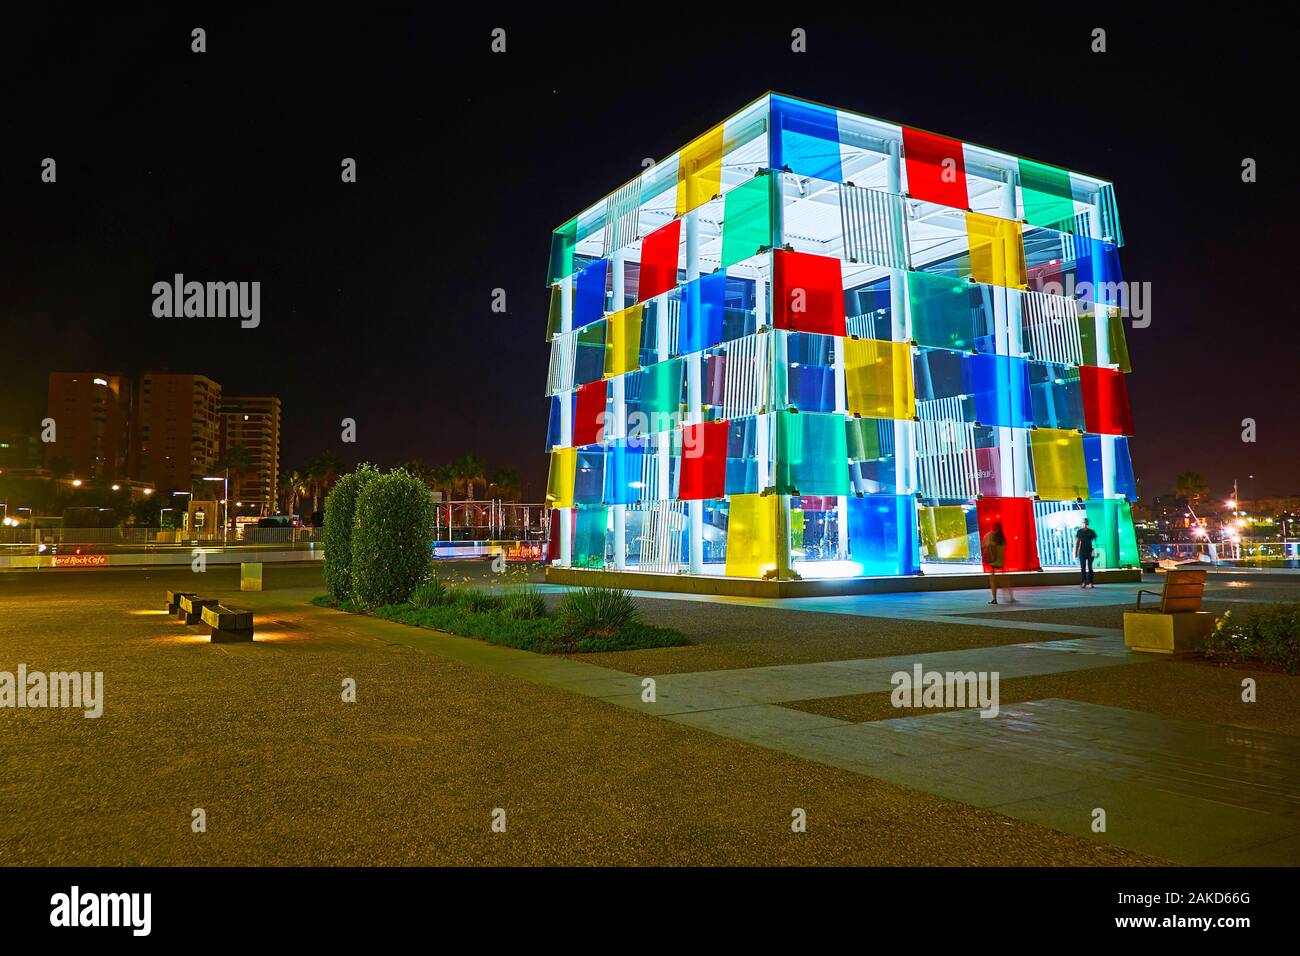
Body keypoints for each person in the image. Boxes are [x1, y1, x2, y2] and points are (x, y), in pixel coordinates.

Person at [981, 521, 1007, 604]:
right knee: (1004, 579)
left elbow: (987, 546)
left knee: (992, 581)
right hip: (1000, 561)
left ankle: (994, 599)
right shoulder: (1002, 538)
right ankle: (1010, 596)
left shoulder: (992, 537)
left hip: (993, 561)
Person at [1075, 517, 1098, 588]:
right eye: (1084, 522)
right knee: (1083, 567)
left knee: (1090, 567)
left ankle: (1091, 582)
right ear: (1082, 523)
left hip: (1090, 551)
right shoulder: (1080, 531)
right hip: (1082, 551)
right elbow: (1078, 542)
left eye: (1086, 522)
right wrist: (1075, 552)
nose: (1085, 523)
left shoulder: (1091, 532)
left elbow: (1096, 543)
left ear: (1088, 523)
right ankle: (1084, 582)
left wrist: (1095, 551)